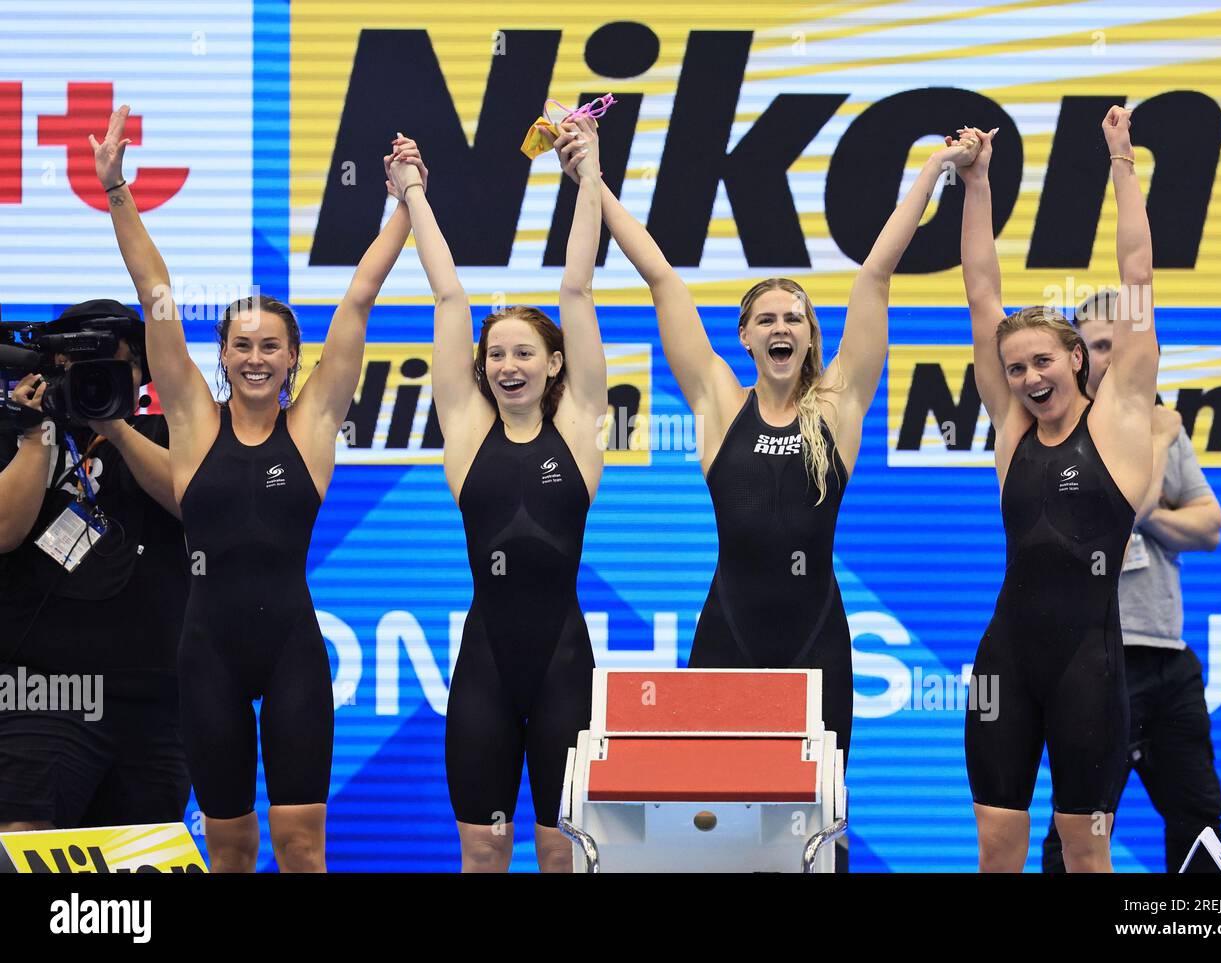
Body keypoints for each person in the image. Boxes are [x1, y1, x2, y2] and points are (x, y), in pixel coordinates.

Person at [578, 119, 981, 871]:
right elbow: (662, 277)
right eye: (766, 317)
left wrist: (933, 174)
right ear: (744, 336)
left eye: (794, 315)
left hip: (815, 640)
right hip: (725, 635)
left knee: (818, 826)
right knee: (710, 823)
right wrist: (591, 182)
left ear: (810, 334)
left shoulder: (839, 409)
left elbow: (874, 276)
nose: (781, 324)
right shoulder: (717, 406)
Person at [92, 104, 419, 871]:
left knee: (302, 844)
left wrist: (405, 207)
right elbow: (156, 292)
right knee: (231, 846)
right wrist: (116, 192)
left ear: (293, 357)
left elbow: (358, 303)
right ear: (223, 356)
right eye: (242, 345)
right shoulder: (192, 423)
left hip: (292, 653)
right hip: (205, 653)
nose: (256, 357)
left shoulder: (310, 427)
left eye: (271, 344)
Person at [959, 107, 1160, 872]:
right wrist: (976, 183)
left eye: (1043, 361)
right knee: (998, 847)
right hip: (1002, 662)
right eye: (1016, 368)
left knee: (1084, 851)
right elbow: (983, 291)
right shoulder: (1011, 430)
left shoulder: (1118, 421)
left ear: (1077, 358)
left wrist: (1122, 165)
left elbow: (1137, 275)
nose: (1029, 377)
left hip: (1091, 669)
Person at [408, 114, 607, 872]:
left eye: (525, 350)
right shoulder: (464, 429)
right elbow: (449, 297)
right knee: (484, 853)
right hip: (483, 671)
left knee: (561, 855)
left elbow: (577, 287)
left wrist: (586, 178)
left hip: (566, 670)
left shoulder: (582, 425)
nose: (506, 364)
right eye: (496, 354)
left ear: (555, 363)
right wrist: (415, 193)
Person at [1039, 288, 1221, 872]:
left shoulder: (1157, 419)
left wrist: (1157, 511)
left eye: (1124, 347)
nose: (1114, 360)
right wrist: (1161, 441)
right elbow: (1116, 516)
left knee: (1199, 818)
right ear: (1075, 356)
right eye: (1099, 346)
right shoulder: (1062, 431)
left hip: (1169, 659)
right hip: (1096, 658)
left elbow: (1210, 526)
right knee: (1079, 823)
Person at [0, 301, 190, 833]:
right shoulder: (16, 431)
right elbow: (4, 530)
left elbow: (192, 500)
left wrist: (117, 428)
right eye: (78, 366)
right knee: (20, 847)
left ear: (142, 375)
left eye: (117, 366)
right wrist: (36, 432)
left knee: (143, 863)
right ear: (51, 368)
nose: (94, 379)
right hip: (41, 692)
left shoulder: (170, 431)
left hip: (154, 701)